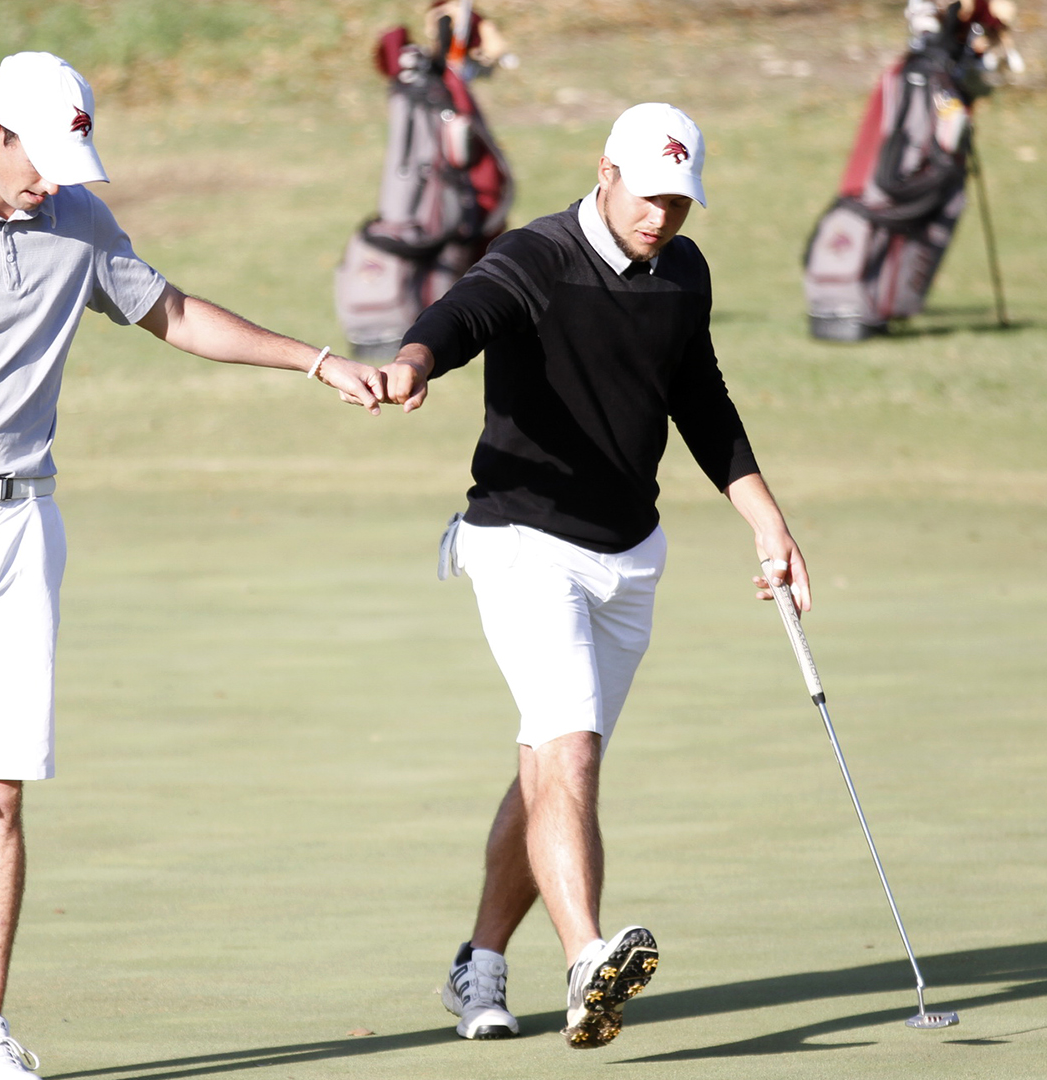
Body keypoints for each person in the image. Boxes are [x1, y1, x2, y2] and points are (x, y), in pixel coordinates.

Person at [0, 52, 385, 1080]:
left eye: (72, 159)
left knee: (2, 793)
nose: (56, 179)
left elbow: (177, 315)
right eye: (42, 158)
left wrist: (318, 362)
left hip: (22, 528)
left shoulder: (79, 225)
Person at [376, 103, 812, 1049]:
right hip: (523, 542)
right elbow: (464, 313)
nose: (663, 218)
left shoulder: (682, 272)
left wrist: (766, 519)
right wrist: (416, 358)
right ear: (604, 173)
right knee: (569, 751)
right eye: (649, 197)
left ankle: (480, 965)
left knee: (551, 764)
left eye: (681, 203)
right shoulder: (537, 255)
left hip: (630, 557)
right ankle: (588, 963)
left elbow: (701, 397)